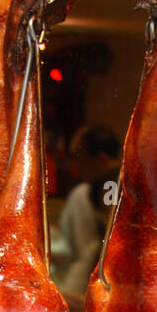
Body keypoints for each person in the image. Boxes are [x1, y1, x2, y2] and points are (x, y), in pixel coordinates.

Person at [52, 125, 121, 299]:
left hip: (105, 283)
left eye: (79, 158)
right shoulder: (103, 185)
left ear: (101, 159)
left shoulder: (111, 184)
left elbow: (110, 232)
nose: (75, 166)